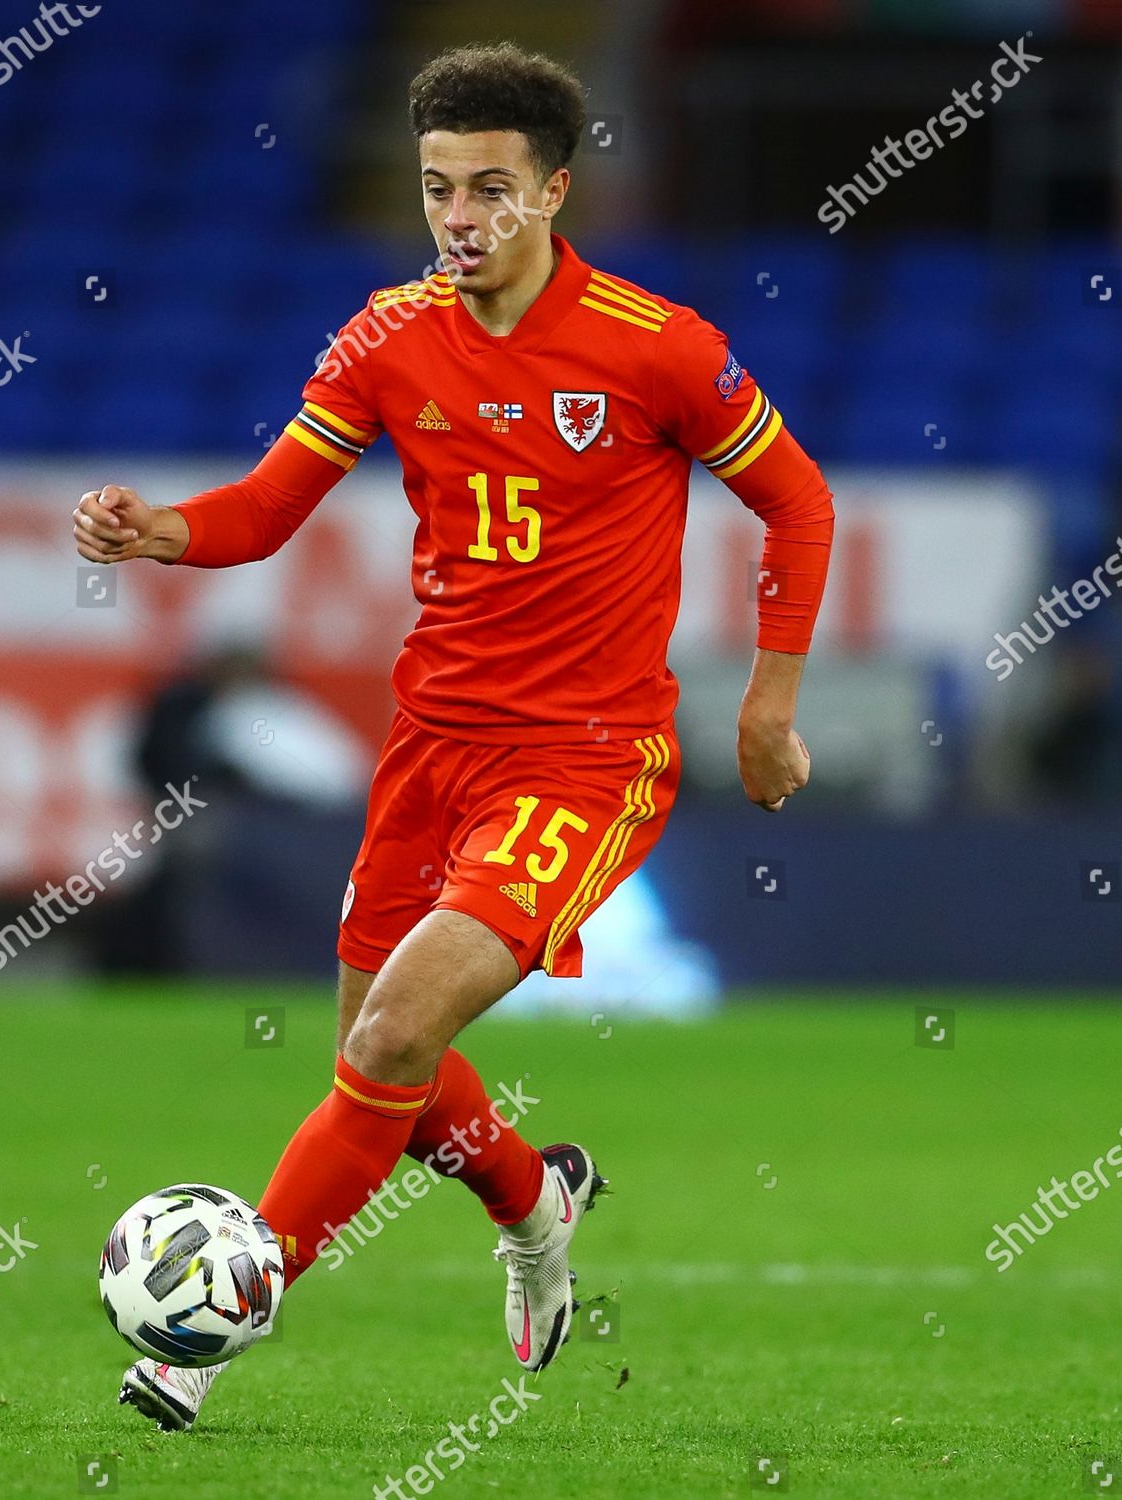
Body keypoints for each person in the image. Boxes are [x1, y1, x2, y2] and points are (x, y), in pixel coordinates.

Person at [73, 41, 834, 1432]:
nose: (460, 218)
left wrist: (767, 705)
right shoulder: (385, 335)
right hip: (431, 746)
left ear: (554, 190)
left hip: (586, 755)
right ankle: (536, 1203)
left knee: (397, 1028)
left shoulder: (656, 350)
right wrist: (162, 532)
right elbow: (265, 508)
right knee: (381, 1055)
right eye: (436, 189)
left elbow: (797, 503)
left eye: (490, 188)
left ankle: (218, 1318)